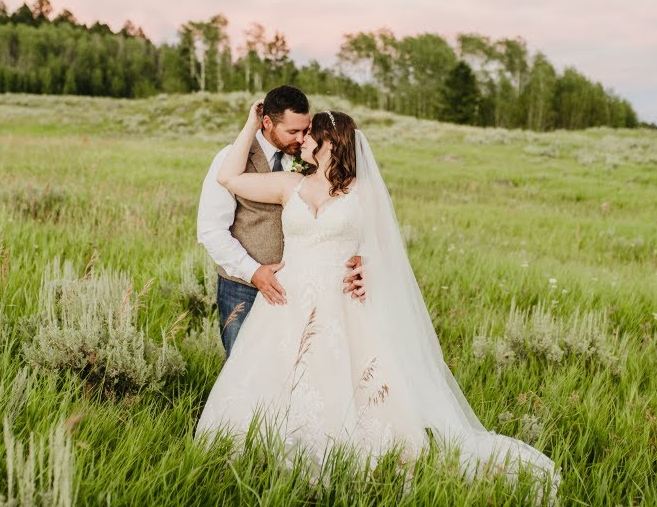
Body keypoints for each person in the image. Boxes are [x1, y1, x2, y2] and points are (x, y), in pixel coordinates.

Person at [194, 100, 560, 501]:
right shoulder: (290, 186)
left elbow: (388, 251)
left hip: (342, 305)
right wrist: (249, 122)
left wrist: (368, 264)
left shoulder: (363, 192)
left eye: (309, 135)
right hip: (286, 301)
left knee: (345, 380)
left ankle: (345, 454)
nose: (301, 142)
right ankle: (268, 451)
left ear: (329, 143)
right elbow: (228, 176)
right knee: (273, 378)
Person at [196, 85, 365, 357]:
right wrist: (253, 271)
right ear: (267, 123)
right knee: (244, 366)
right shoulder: (232, 158)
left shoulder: (315, 159)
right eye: (292, 132)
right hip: (243, 287)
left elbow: (351, 215)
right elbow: (211, 229)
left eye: (306, 130)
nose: (301, 139)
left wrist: (363, 259)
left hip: (303, 290)